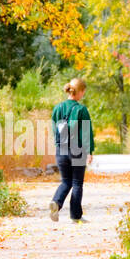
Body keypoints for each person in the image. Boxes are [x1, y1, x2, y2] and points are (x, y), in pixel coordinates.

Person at [49, 77, 94, 223]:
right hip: (77, 150)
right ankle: (76, 216)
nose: (83, 95)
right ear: (79, 92)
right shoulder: (81, 110)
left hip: (61, 150)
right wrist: (89, 151)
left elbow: (54, 129)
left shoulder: (58, 108)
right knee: (77, 183)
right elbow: (86, 133)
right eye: (83, 92)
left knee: (66, 181)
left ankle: (56, 202)